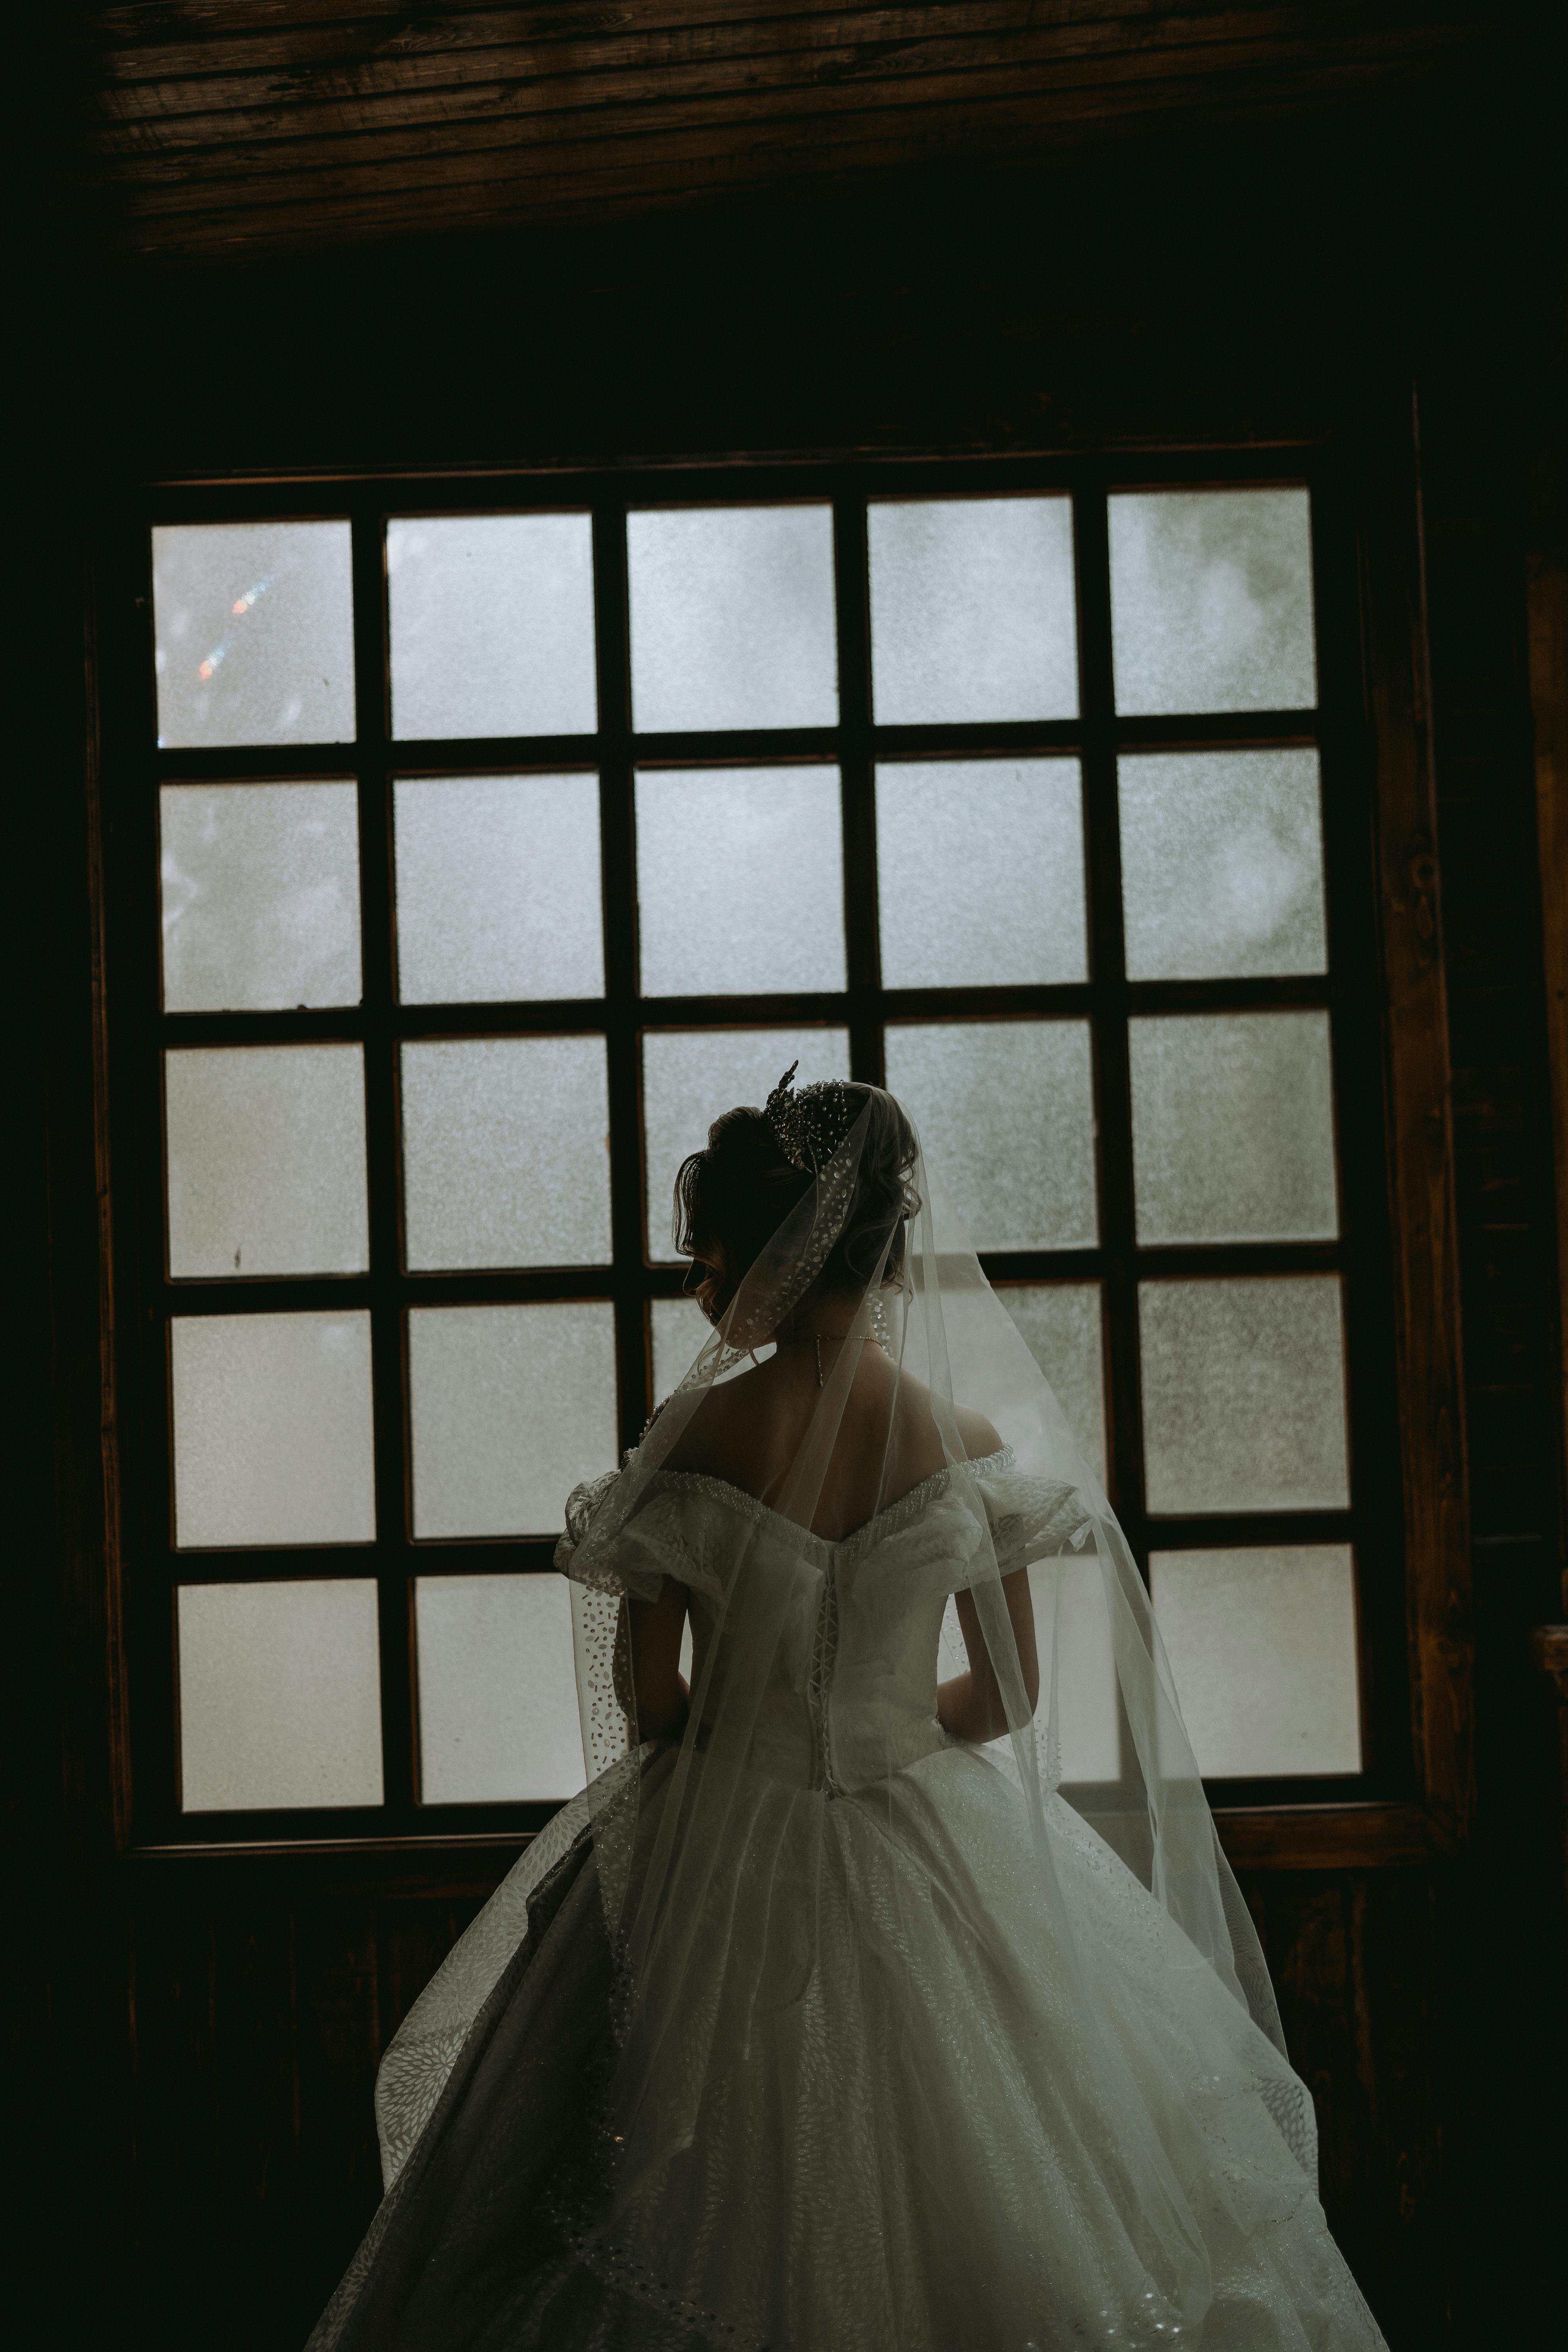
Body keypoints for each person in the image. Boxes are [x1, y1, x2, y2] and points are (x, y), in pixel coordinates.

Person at [308, 1073, 1388, 2351]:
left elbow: (652, 1706)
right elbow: (1006, 1696)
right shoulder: (965, 1441)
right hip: (929, 1825)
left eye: (707, 1256)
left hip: (715, 1838)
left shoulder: (689, 1440)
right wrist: (876, 1729)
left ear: (772, 1255)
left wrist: (759, 1735)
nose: (699, 1288)